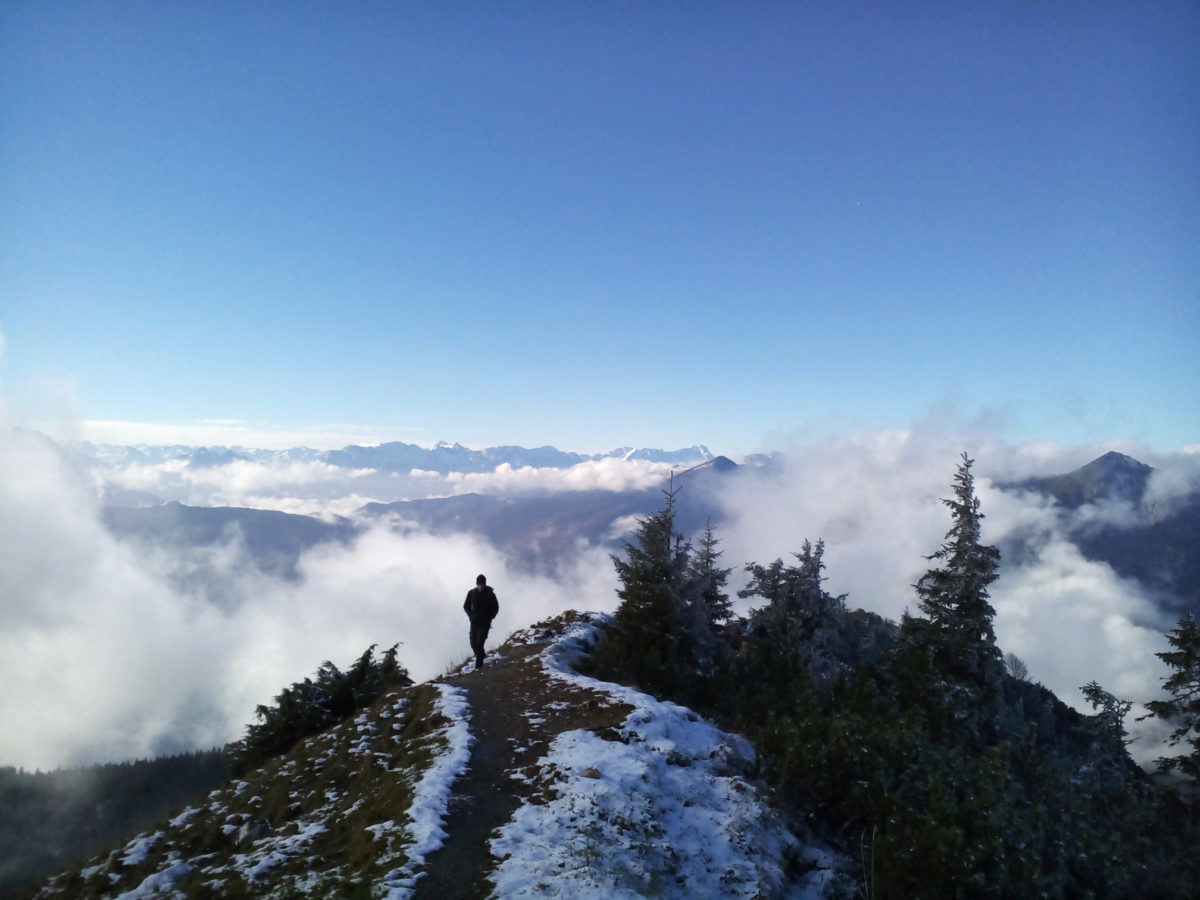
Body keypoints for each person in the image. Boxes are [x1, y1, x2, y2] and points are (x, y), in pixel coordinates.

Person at [463, 574, 499, 670]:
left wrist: (490, 617)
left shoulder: (490, 594)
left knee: (479, 644)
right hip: (474, 623)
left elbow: (496, 607)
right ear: (476, 584)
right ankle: (482, 655)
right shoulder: (471, 593)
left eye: (482, 584)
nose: (480, 586)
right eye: (478, 584)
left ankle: (479, 667)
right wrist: (471, 616)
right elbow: (465, 606)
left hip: (485, 624)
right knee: (473, 644)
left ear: (485, 584)